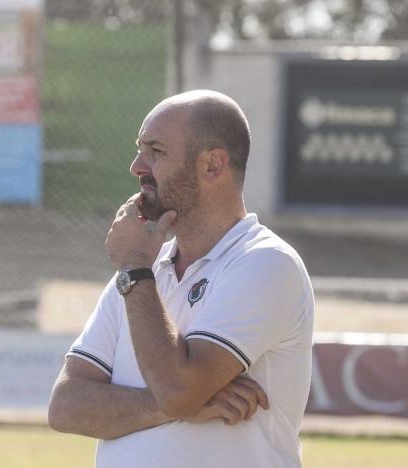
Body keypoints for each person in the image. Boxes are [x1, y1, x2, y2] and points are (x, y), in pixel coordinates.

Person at [48, 90, 314, 467]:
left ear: (212, 165)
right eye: (140, 149)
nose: (137, 166)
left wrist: (135, 269)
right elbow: (66, 406)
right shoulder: (141, 272)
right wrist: (169, 405)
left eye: (155, 151)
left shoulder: (266, 263)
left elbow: (178, 389)